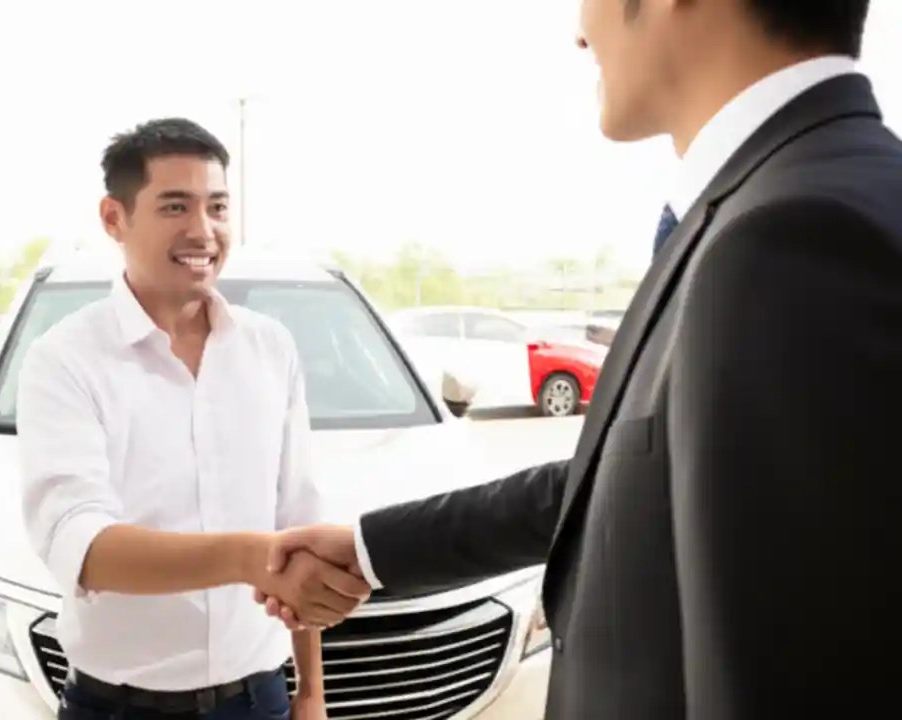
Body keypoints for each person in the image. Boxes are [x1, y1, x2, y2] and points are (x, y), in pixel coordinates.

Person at [260, 1, 901, 718]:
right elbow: (628, 476)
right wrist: (372, 549)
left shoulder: (796, 236)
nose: (578, 30)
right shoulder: (781, 205)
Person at [15, 118, 368, 720]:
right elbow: (85, 549)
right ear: (113, 218)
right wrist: (247, 557)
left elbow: (297, 522)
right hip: (119, 708)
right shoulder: (64, 360)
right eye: (175, 206)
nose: (203, 231)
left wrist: (311, 692)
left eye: (218, 207)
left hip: (259, 698)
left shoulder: (270, 348)